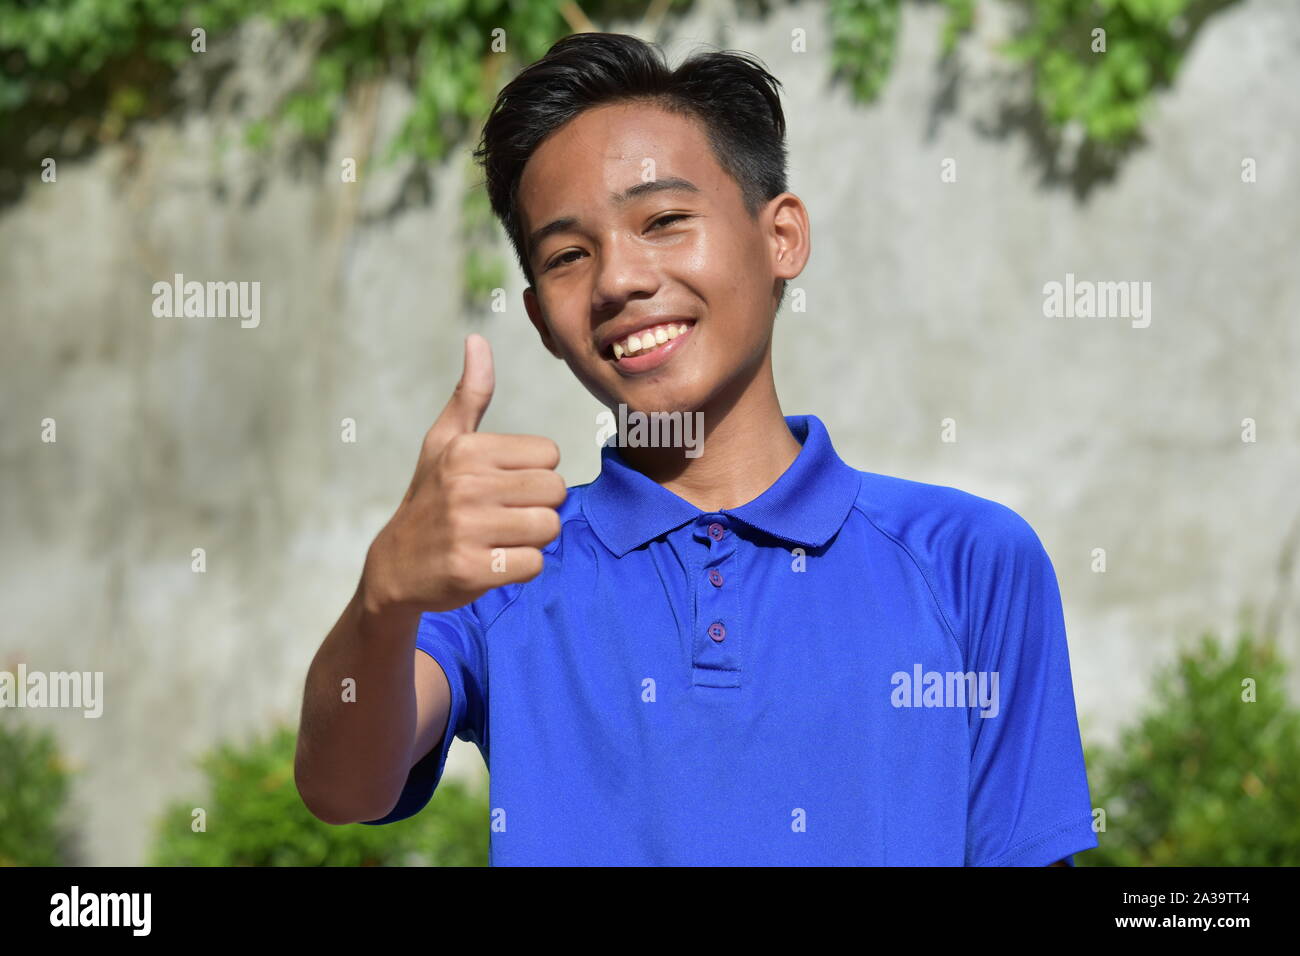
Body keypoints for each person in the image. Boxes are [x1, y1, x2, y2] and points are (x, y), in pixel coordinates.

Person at [294, 31, 1098, 866]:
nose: (618, 280)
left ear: (781, 236)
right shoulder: (501, 568)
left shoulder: (968, 560)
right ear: (541, 321)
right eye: (568, 255)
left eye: (665, 221)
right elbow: (344, 788)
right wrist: (384, 595)